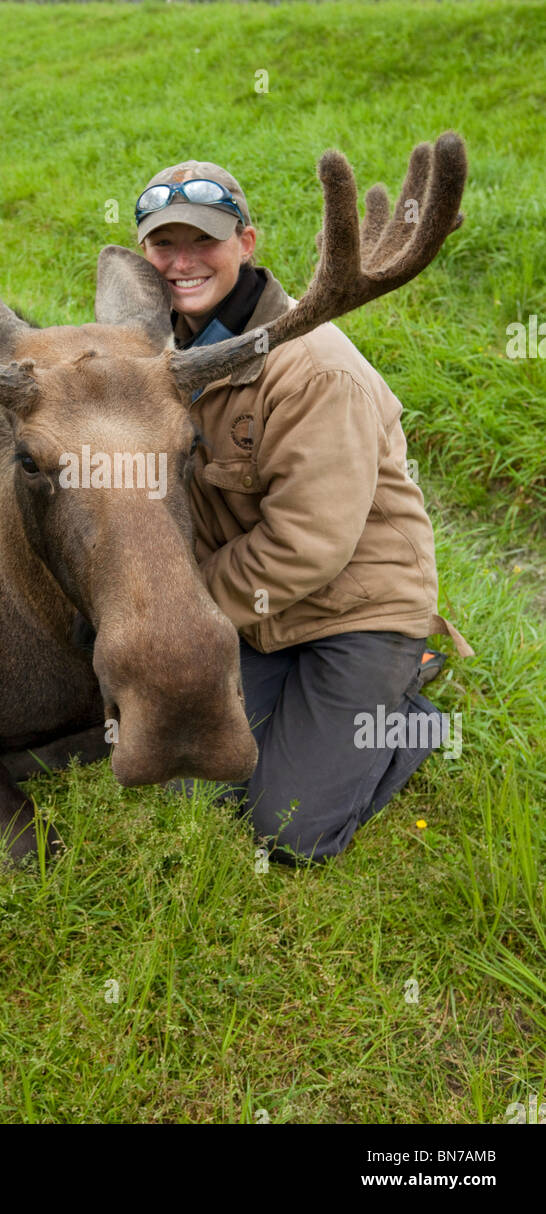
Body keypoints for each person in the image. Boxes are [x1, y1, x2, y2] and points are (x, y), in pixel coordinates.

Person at [134, 159, 473, 865]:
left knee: (288, 829)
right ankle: (307, 708)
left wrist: (184, 613)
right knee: (193, 788)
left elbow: (307, 546)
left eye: (205, 242)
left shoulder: (316, 367)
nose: (183, 262)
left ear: (247, 242)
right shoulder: (159, 359)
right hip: (258, 620)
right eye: (164, 245)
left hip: (355, 614)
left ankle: (407, 702)